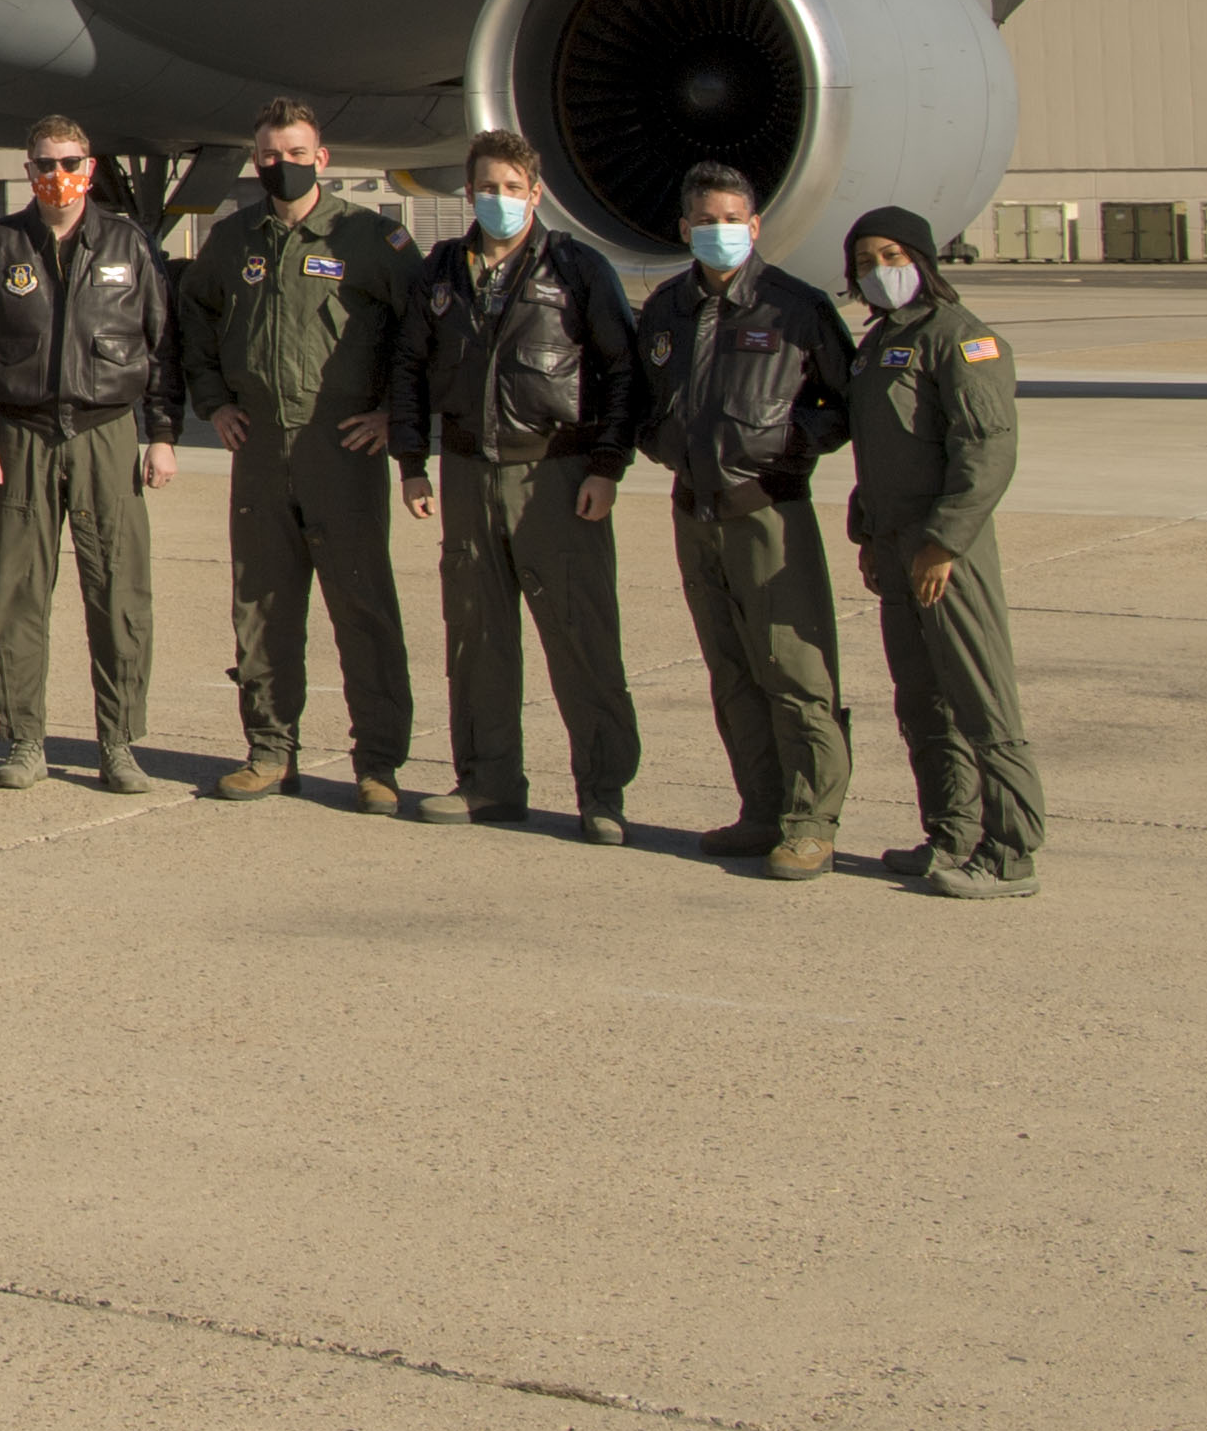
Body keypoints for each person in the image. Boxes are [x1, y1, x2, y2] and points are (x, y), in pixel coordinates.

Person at [388, 128, 645, 841]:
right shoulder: (442, 271)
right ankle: (489, 781)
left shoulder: (576, 268)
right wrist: (412, 462)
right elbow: (408, 368)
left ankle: (602, 792)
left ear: (534, 193)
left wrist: (605, 466)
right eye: (486, 188)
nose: (498, 200)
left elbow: (621, 370)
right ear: (466, 193)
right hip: (467, 471)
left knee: (581, 638)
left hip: (555, 473)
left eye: (511, 188)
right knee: (476, 638)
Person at [178, 100, 421, 809]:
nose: (281, 165)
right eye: (269, 155)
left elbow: (422, 339)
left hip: (340, 450)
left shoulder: (371, 239)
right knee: (262, 608)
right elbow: (194, 318)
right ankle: (270, 750)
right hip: (260, 450)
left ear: (323, 158)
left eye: (295, 152)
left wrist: (392, 416)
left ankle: (377, 763)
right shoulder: (232, 241)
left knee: (363, 610)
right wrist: (214, 402)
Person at [630, 160, 859, 883]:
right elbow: (639, 397)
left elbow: (841, 402)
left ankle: (811, 821)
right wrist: (661, 440)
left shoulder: (795, 307)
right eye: (706, 221)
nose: (719, 232)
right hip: (694, 513)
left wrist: (790, 450)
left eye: (732, 220)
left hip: (768, 513)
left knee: (795, 671)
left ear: (755, 227)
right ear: (685, 228)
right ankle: (760, 810)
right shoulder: (667, 308)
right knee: (731, 672)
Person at [0, 118, 183, 794]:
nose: (59, 175)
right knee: (17, 598)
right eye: (45, 163)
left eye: (71, 162)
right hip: (22, 434)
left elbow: (160, 345)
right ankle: (24, 740)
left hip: (106, 432)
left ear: (90, 164)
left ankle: (118, 744)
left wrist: (162, 432)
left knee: (119, 594)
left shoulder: (128, 243)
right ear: (28, 170)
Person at [839, 204, 1042, 898]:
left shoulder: (961, 340)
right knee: (921, 699)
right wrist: (867, 533)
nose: (880, 271)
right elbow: (877, 450)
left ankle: (1011, 850)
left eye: (893, 256)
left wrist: (943, 542)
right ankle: (950, 833)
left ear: (923, 261)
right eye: (866, 261)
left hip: (946, 551)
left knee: (981, 696)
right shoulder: (876, 345)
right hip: (895, 546)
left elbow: (986, 454)